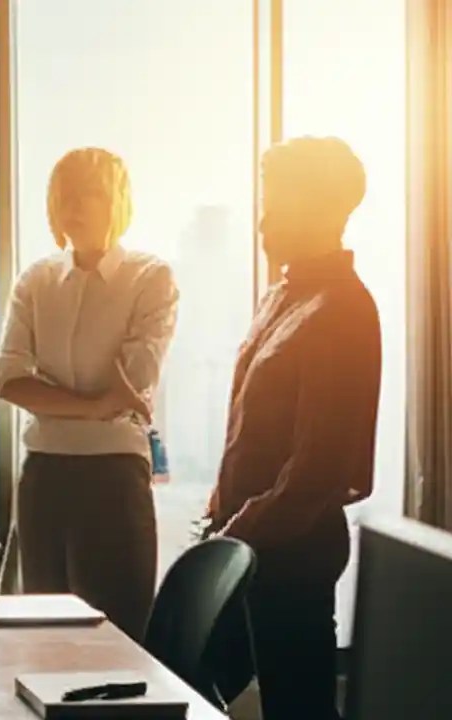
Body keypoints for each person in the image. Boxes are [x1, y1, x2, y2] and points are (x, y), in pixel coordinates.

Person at [206, 137, 380, 720]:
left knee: (296, 707)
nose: (263, 219)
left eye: (277, 203)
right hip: (247, 545)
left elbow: (318, 468)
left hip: (289, 552)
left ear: (322, 210)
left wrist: (235, 532)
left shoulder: (344, 310)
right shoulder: (282, 294)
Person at [0, 147, 178, 642]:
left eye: (89, 194)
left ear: (117, 202)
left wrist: (58, 398)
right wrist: (95, 407)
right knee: (45, 639)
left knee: (116, 640)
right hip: (43, 476)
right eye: (64, 195)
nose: (74, 206)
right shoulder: (37, 279)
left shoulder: (150, 277)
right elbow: (10, 380)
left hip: (113, 475)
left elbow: (133, 378)